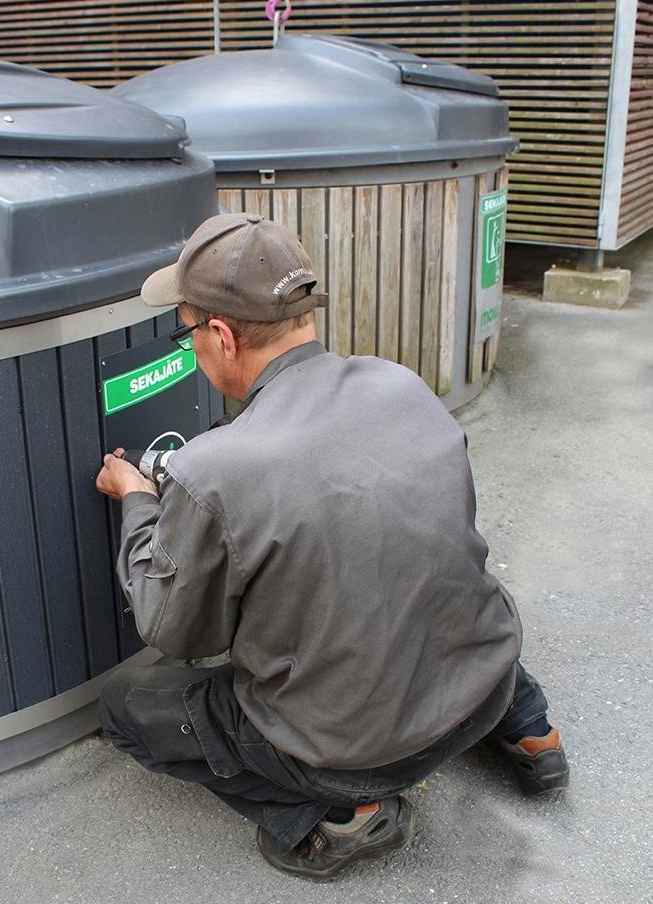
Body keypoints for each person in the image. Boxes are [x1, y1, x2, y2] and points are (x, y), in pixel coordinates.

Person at [95, 213, 569, 882]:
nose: (192, 345)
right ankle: (532, 729)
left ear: (221, 336)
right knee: (440, 589)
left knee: (124, 706)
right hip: (484, 685)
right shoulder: (403, 385)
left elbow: (176, 630)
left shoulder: (215, 470)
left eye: (187, 331)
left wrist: (139, 501)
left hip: (350, 754)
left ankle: (344, 817)